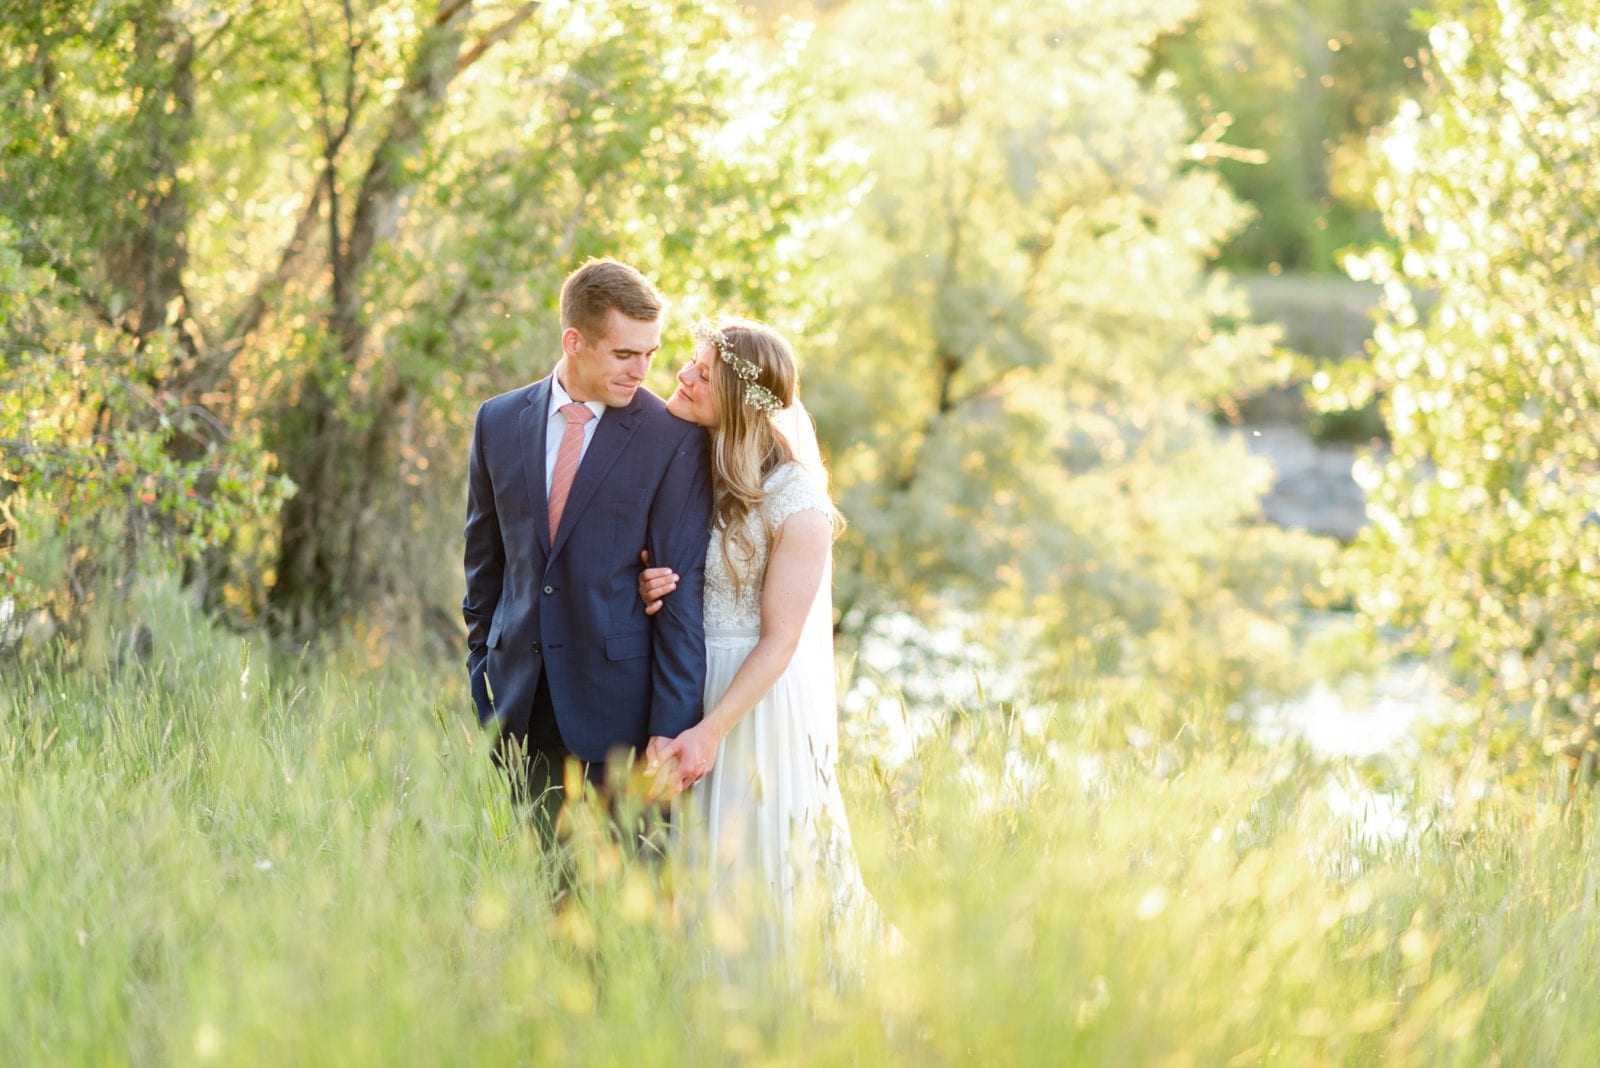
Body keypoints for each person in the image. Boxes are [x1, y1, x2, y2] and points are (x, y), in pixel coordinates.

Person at [639, 318, 881, 963]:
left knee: (760, 871)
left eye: (703, 373)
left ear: (740, 399)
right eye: (690, 363)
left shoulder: (797, 502)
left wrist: (711, 730)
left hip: (753, 705)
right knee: (695, 876)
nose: (682, 375)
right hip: (689, 682)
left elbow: (781, 641)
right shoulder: (693, 463)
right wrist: (649, 584)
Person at [462, 258, 713, 836]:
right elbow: (484, 562)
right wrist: (482, 668)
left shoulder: (672, 438)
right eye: (625, 354)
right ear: (574, 341)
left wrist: (671, 727)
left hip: (622, 722)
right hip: (518, 708)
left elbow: (680, 599)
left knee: (628, 886)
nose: (642, 370)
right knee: (534, 882)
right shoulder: (497, 421)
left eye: (650, 353)